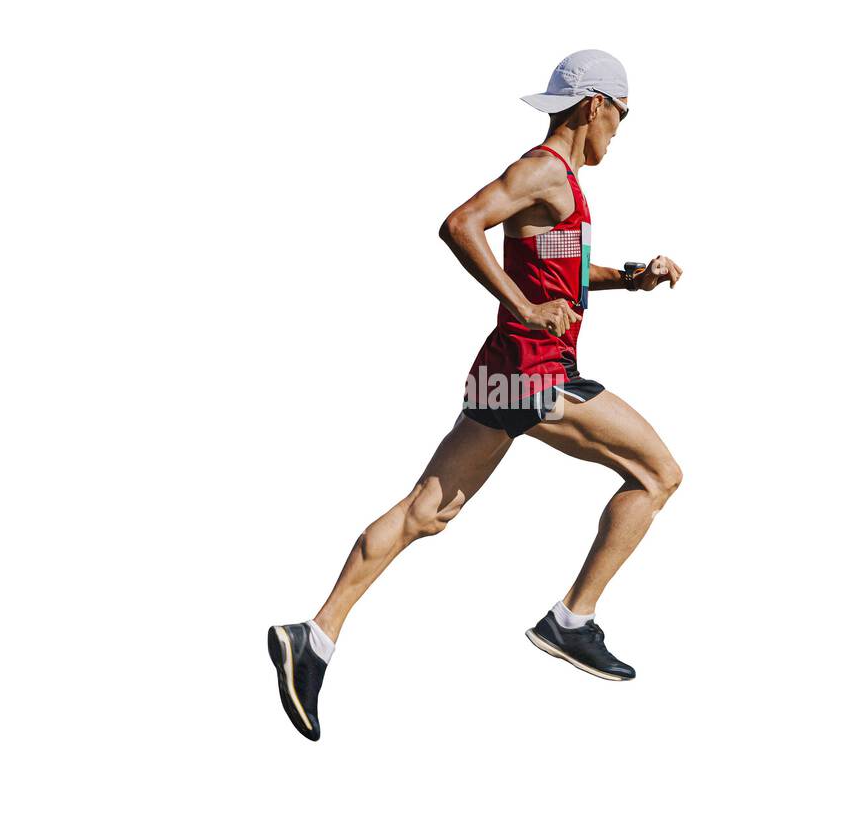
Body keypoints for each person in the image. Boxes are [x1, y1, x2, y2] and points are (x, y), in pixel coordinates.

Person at [268, 50, 684, 741]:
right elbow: (459, 224)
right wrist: (522, 308)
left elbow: (565, 273)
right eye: (623, 115)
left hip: (503, 371)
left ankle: (314, 637)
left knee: (425, 512)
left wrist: (630, 279)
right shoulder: (543, 170)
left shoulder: (559, 186)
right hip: (534, 372)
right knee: (658, 473)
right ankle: (571, 621)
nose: (622, 129)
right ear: (595, 107)